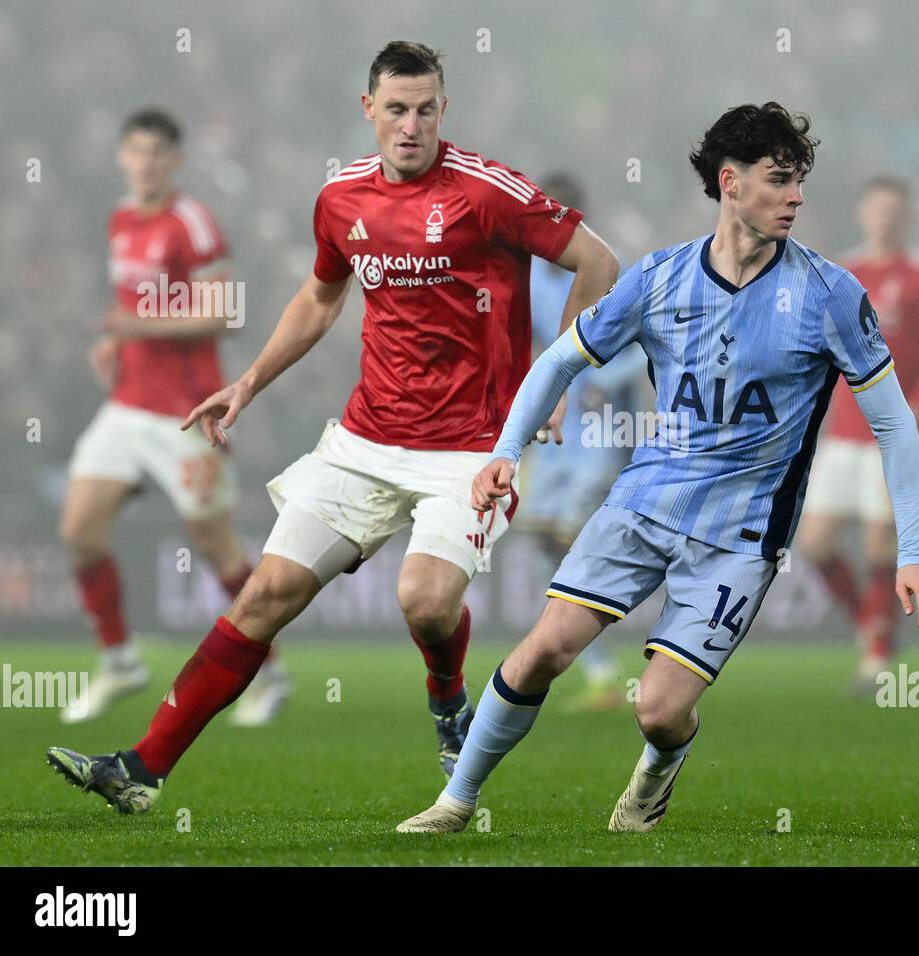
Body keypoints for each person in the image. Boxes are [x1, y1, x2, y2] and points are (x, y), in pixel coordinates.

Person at [46, 40, 618, 813]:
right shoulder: (341, 199)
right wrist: (247, 382)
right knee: (264, 595)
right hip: (365, 439)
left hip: (471, 448)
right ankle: (139, 770)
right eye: (395, 110)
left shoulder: (488, 191)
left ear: (442, 110)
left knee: (423, 600)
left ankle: (447, 700)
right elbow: (319, 301)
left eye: (424, 110)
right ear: (368, 111)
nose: (409, 126)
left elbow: (598, 262)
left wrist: (558, 373)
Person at [396, 102, 919, 834]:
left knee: (656, 710)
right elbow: (559, 359)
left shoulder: (829, 295)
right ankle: (455, 801)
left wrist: (913, 552)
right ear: (730, 183)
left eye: (800, 182)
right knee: (543, 652)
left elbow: (892, 422)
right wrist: (506, 452)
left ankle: (661, 765)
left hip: (741, 534)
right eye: (780, 181)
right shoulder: (660, 278)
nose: (798, 197)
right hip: (644, 504)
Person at [60, 108, 290, 727]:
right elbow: (130, 301)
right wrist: (118, 341)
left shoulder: (192, 223)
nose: (145, 163)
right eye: (135, 151)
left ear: (175, 160)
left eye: (157, 153)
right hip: (127, 406)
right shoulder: (119, 219)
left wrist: (137, 326)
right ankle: (119, 659)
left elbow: (225, 312)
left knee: (214, 546)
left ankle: (269, 673)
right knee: (80, 530)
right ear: (122, 156)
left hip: (187, 413)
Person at [796, 177, 919, 692]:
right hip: (843, 432)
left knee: (878, 543)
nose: (885, 217)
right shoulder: (843, 272)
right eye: (877, 208)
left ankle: (879, 655)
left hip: (893, 434)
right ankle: (869, 622)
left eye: (894, 209)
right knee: (814, 543)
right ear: (863, 213)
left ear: (906, 216)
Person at [516, 173, 649, 712]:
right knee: (546, 536)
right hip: (555, 433)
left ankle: (605, 644)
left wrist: (609, 388)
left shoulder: (604, 268)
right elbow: (529, 344)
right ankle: (599, 663)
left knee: (570, 533)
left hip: (600, 432)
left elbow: (642, 345)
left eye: (564, 217)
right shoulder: (528, 277)